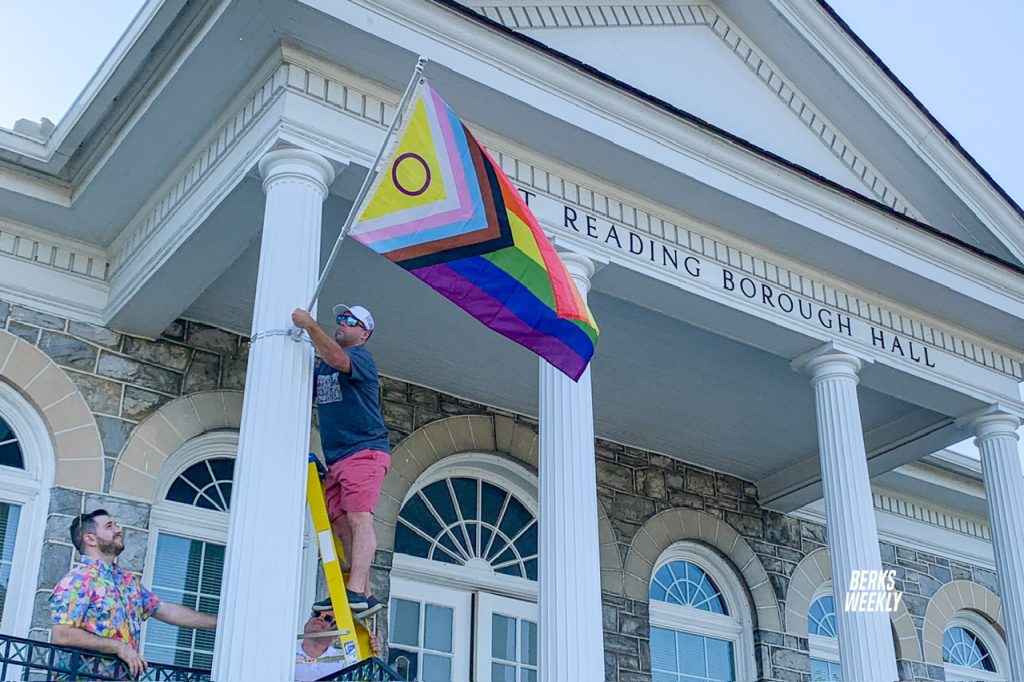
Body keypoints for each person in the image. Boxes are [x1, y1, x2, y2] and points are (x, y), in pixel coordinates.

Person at [291, 304, 390, 617]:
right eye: (340, 319)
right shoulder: (324, 370)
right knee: (341, 525)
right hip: (338, 458)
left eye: (351, 321)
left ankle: (354, 590)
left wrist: (310, 326)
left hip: (364, 450)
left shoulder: (361, 358)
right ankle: (366, 595)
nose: (342, 323)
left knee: (360, 518)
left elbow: (336, 356)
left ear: (365, 333)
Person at [50, 509, 218, 678]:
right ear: (90, 539)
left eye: (115, 524)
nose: (118, 529)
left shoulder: (128, 582)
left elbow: (167, 611)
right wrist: (118, 647)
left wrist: (221, 624)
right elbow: (62, 634)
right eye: (109, 526)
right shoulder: (77, 580)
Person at [294, 609, 382, 681]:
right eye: (316, 614)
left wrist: (372, 654)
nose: (319, 618)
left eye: (328, 618)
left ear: (334, 635)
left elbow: (366, 677)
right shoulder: (286, 651)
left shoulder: (343, 662)